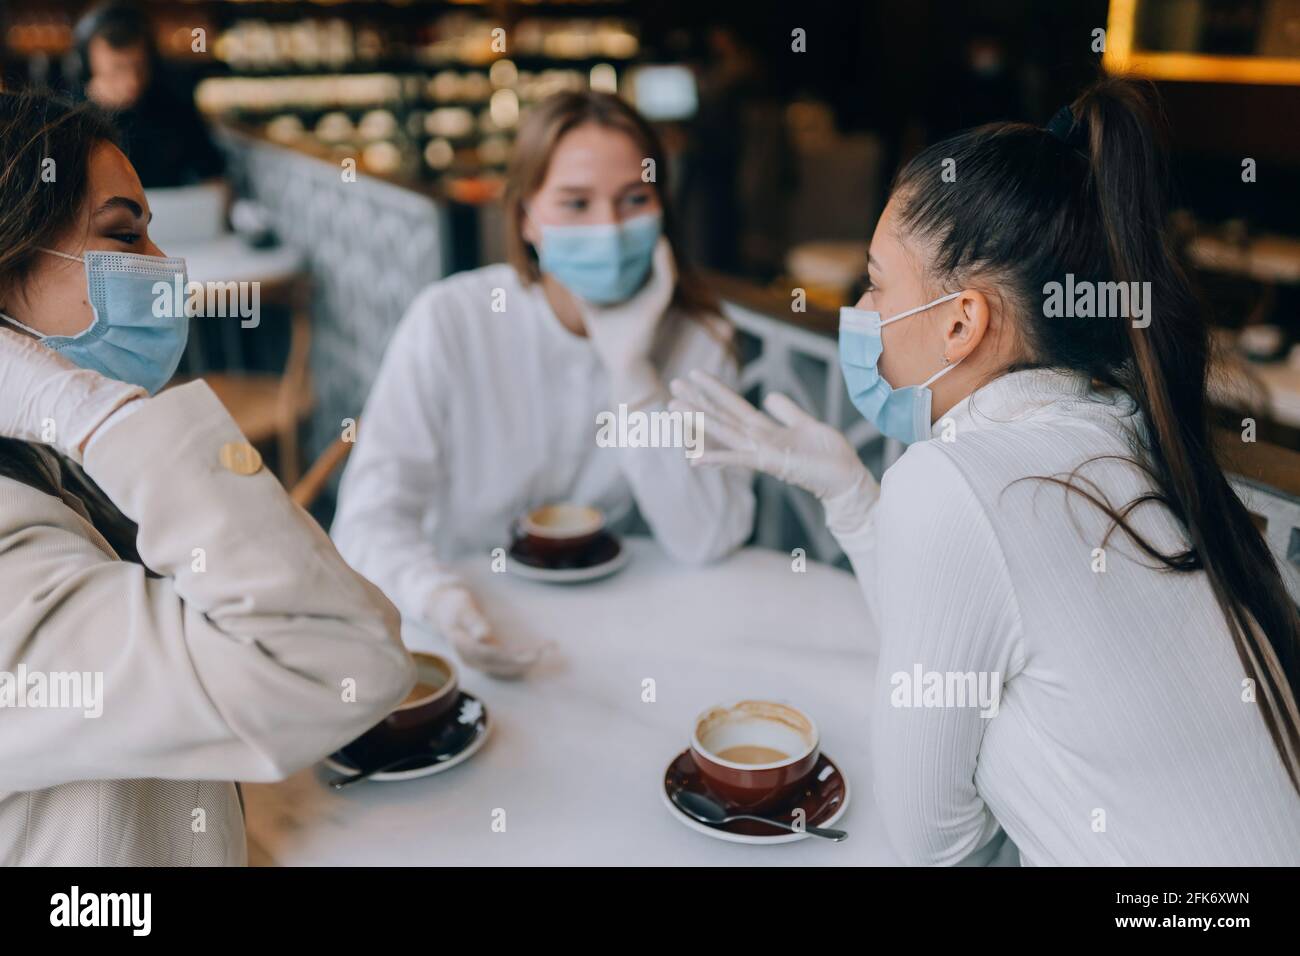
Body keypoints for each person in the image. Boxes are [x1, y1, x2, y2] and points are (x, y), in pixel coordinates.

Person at [670, 78, 1300, 865]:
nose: (859, 310)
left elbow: (937, 844)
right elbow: (986, 632)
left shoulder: (962, 484)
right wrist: (854, 500)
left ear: (964, 322)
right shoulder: (1129, 435)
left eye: (875, 281)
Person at [0, 90, 414, 866]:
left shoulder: (48, 471)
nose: (165, 272)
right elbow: (340, 661)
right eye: (125, 235)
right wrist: (85, 405)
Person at [331, 91, 755, 678]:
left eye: (634, 199)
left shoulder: (700, 339)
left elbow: (707, 537)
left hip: (622, 632)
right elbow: (367, 521)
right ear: (527, 216)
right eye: (576, 203)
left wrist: (634, 374)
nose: (607, 228)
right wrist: (441, 600)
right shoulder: (453, 319)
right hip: (456, 626)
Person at [72, 1, 225, 189]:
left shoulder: (175, 105)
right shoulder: (69, 116)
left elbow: (213, 174)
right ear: (87, 65)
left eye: (140, 67)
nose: (132, 82)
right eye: (117, 68)